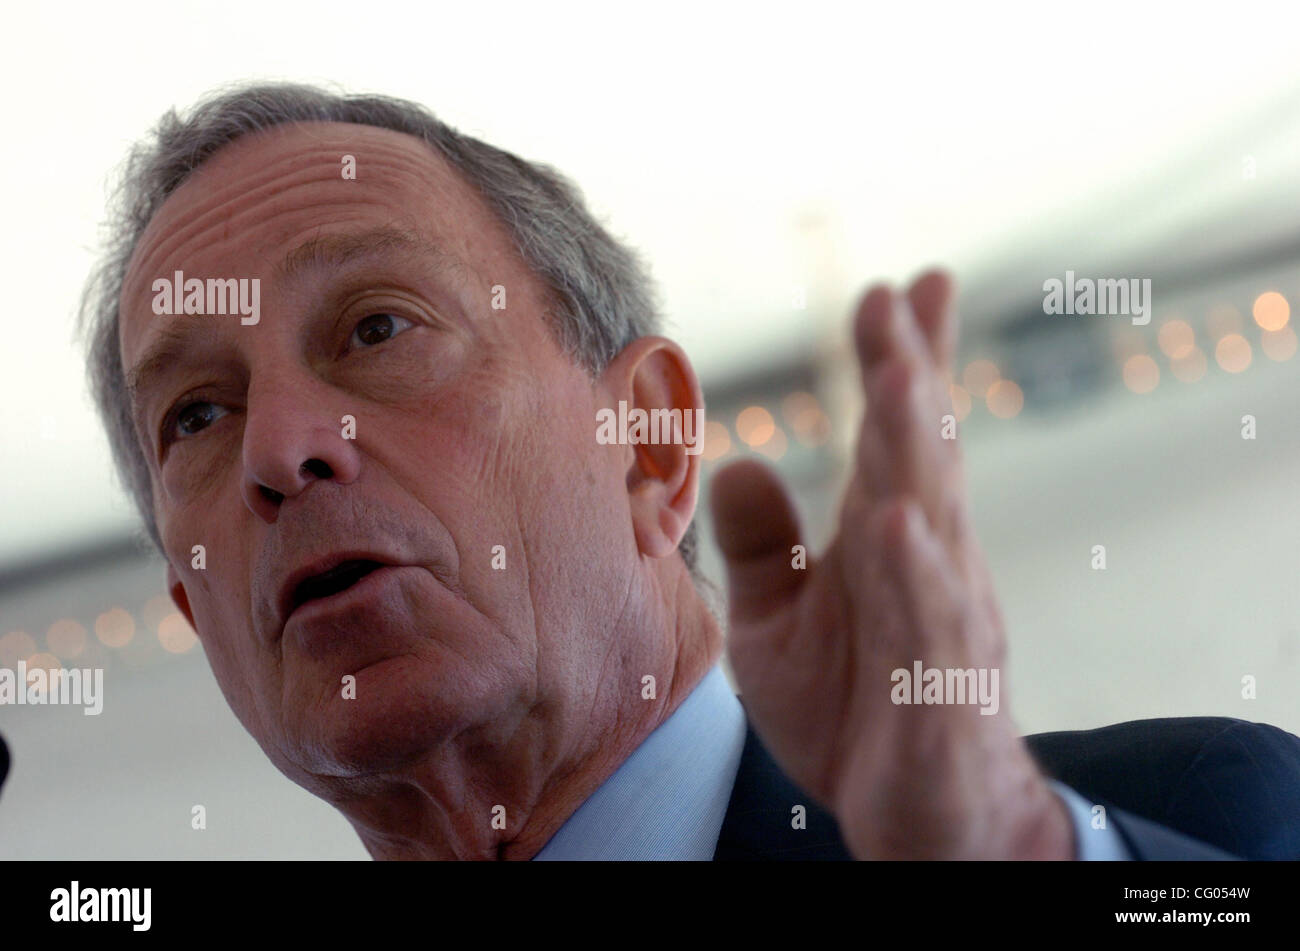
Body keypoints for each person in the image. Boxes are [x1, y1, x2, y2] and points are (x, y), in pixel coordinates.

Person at [79, 82, 1300, 860]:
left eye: (376, 328)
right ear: (197, 615)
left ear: (650, 444)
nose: (279, 450)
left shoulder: (1205, 814)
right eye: (195, 413)